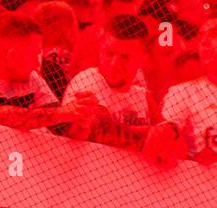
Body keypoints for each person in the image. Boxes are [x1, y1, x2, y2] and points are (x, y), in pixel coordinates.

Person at [62, 14, 153, 149]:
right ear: (100, 50)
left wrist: (165, 131)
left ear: (142, 60)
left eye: (125, 57)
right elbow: (101, 132)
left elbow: (170, 138)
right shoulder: (86, 81)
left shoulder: (142, 96)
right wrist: (150, 134)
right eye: (109, 53)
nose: (114, 63)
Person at [144, 17, 217, 166]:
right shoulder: (183, 92)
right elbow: (168, 126)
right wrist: (167, 135)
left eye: (215, 40)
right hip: (199, 179)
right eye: (205, 42)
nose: (210, 48)